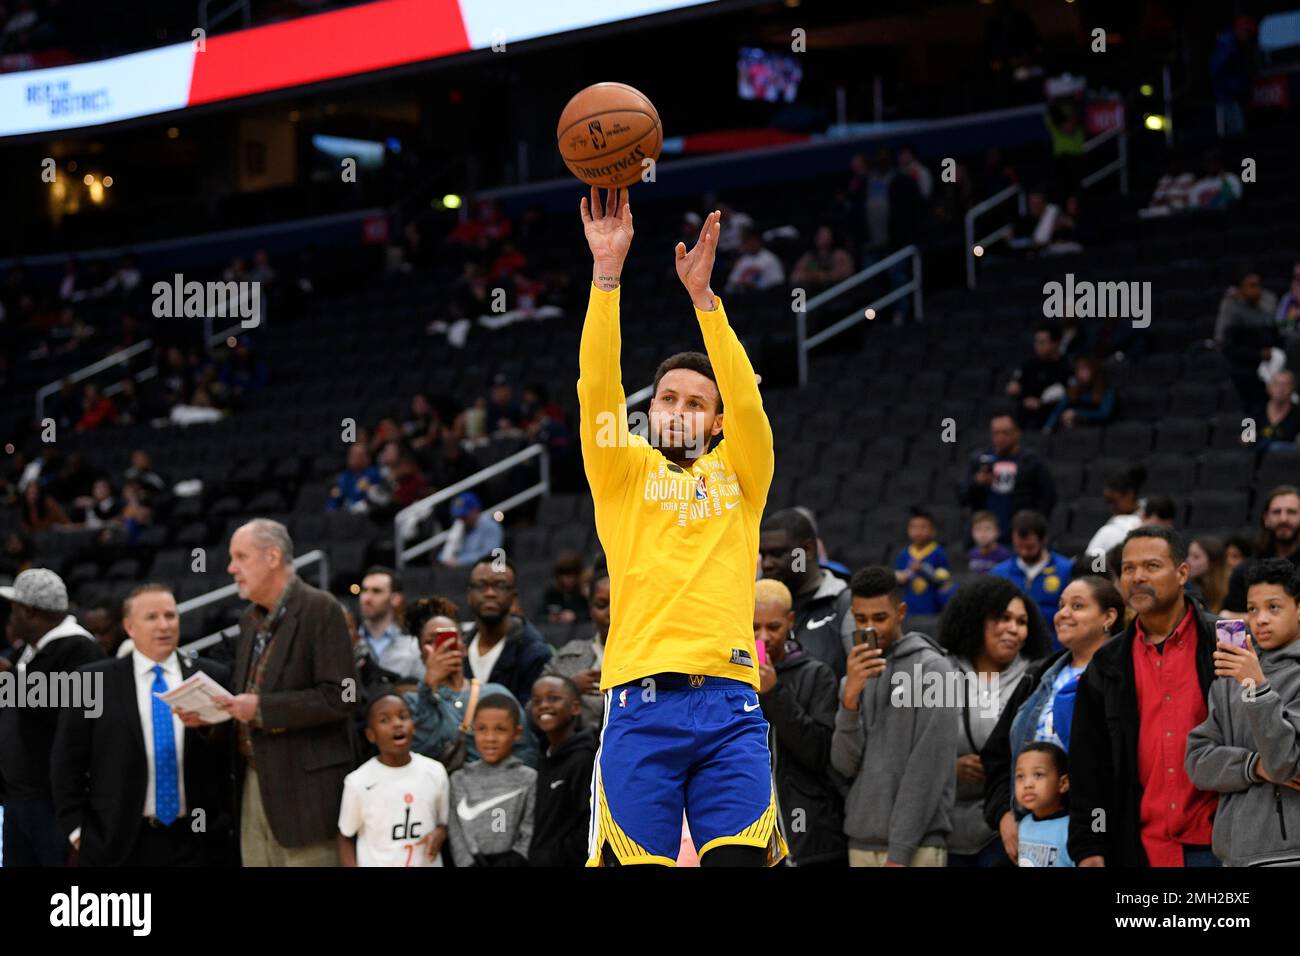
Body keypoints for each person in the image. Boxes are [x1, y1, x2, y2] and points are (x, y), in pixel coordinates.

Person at [578, 189, 784, 867]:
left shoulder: (742, 471)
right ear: (652, 408)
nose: (679, 409)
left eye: (697, 403)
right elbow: (597, 387)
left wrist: (706, 304)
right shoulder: (622, 470)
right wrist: (607, 277)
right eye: (668, 398)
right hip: (639, 706)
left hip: (730, 705)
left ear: (716, 423)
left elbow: (748, 398)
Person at [183, 519, 357, 867]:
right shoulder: (249, 619)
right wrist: (211, 716)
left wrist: (262, 709)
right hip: (253, 783)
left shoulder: (320, 609)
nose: (231, 568)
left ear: (273, 556)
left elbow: (343, 696)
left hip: (306, 794)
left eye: (241, 557)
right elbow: (245, 701)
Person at [1068, 527, 1220, 867]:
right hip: (1137, 847)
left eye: (1151, 566)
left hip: (1219, 845)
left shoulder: (1223, 643)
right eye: (1128, 568)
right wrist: (1090, 844)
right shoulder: (1106, 664)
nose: (1137, 577)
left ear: (1182, 573)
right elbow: (1089, 765)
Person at [51, 584, 233, 866]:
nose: (164, 626)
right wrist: (77, 831)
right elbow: (65, 763)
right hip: (118, 842)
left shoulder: (212, 676)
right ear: (129, 626)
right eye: (151, 617)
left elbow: (228, 757)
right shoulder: (92, 681)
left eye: (170, 616)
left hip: (200, 841)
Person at [981, 576, 1123, 863]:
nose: (1063, 614)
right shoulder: (1038, 676)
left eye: (1078, 605)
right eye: (1061, 606)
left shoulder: (1126, 676)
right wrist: (1003, 814)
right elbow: (997, 754)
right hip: (1034, 835)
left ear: (1108, 616)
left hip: (1102, 836)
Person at [831, 567, 958, 867]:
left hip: (916, 847)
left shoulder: (935, 670)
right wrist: (849, 700)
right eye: (861, 619)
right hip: (861, 841)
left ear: (900, 612)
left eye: (880, 618)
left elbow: (928, 768)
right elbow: (843, 765)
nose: (871, 628)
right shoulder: (853, 676)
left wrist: (899, 853)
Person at [1186, 558, 1300, 866]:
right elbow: (1197, 762)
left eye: (1273, 607)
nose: (1260, 619)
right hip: (1233, 855)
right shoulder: (1229, 677)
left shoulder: (1251, 677)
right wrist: (1253, 766)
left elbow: (1286, 763)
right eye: (1252, 609)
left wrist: (1256, 686)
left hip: (1288, 856)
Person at [938, 575, 1051, 866]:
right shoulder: (937, 672)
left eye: (1022, 622)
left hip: (1009, 834)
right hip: (941, 829)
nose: (1013, 629)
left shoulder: (1039, 678)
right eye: (1003, 618)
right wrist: (949, 768)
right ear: (976, 618)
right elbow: (909, 750)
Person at [0, 569, 105, 866]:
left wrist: (12, 681)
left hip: (55, 802)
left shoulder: (81, 650)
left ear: (29, 611)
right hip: (19, 797)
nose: (11, 616)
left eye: (15, 608)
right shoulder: (28, 653)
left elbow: (81, 715)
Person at [754, 579, 846, 867]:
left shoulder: (816, 674)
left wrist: (773, 693)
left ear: (790, 621)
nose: (764, 636)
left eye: (774, 627)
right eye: (754, 627)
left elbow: (819, 752)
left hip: (811, 836)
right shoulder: (734, 679)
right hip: (754, 832)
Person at [404, 595, 537, 769]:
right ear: (422, 654)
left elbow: (526, 752)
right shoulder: (411, 702)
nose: (441, 648)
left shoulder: (495, 694)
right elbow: (421, 751)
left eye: (448, 639)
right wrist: (428, 688)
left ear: (463, 647)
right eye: (431, 641)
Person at [337, 694, 449, 867]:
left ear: (413, 726)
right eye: (384, 720)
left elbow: (445, 823)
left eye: (403, 716)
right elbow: (345, 835)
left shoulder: (435, 771)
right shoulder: (358, 782)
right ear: (371, 735)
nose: (397, 723)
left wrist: (440, 833)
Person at [759, 509, 854, 679]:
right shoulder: (756, 608)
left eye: (777, 554)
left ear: (807, 550)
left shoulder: (845, 605)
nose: (766, 564)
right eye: (763, 554)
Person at [447, 694, 536, 866]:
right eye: (481, 729)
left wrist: (517, 858)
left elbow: (530, 826)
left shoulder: (528, 778)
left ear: (517, 733)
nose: (490, 738)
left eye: (500, 729)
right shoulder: (459, 779)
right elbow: (455, 830)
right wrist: (467, 863)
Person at [458, 557, 552, 704]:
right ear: (469, 595)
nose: (490, 593)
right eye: (481, 585)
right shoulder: (458, 649)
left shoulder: (535, 653)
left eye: (500, 586)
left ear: (514, 597)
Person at [527, 675, 597, 867]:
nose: (543, 705)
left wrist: (553, 858)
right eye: (537, 701)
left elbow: (590, 823)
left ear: (575, 708)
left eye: (553, 698)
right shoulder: (542, 758)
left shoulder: (584, 759)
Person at [958, 413, 1057, 545]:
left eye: (1005, 433)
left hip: (1020, 535)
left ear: (1017, 433)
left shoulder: (1031, 461)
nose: (1000, 438)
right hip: (985, 537)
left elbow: (1048, 496)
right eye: (996, 433)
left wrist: (1034, 527)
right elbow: (962, 496)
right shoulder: (979, 460)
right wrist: (977, 482)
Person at [989, 510, 1074, 647]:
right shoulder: (999, 573)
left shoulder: (1066, 569)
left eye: (1030, 547)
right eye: (1019, 546)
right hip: (1013, 650)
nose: (1024, 552)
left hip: (1053, 648)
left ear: (1043, 540)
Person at [543, 571, 609, 730]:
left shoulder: (651, 657)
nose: (611, 613)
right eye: (601, 605)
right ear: (590, 609)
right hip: (578, 749)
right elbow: (533, 711)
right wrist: (570, 688)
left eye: (620, 604)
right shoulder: (568, 656)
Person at [1222, 486, 1300, 617]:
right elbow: (1228, 617)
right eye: (1276, 512)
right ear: (1266, 518)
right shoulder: (1244, 571)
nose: (1283, 519)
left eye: (1291, 512)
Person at [1215, 267, 1280, 409]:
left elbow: (1276, 331)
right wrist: (1258, 354)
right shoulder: (1232, 308)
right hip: (1243, 367)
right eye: (1251, 286)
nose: (1257, 290)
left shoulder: (1268, 301)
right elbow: (1227, 347)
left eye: (1258, 285)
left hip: (1269, 363)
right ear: (1239, 289)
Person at [356, 566, 423, 683]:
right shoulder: (350, 643)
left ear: (395, 599)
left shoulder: (414, 647)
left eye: (376, 591)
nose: (366, 598)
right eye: (364, 590)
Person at [1015, 742, 1074, 867]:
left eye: (1038, 775)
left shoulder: (1072, 829)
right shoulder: (1024, 824)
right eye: (1020, 776)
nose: (1027, 784)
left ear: (1063, 783)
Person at [1004, 324, 1070, 430]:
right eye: (1036, 342)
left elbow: (1064, 392)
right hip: (1025, 417)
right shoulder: (1028, 365)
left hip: (1052, 418)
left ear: (1055, 343)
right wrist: (1015, 390)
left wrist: (1040, 403)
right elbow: (1016, 383)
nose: (1037, 346)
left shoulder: (1066, 366)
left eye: (1042, 342)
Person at [892, 507, 954, 616]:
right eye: (914, 527)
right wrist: (903, 575)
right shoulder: (904, 554)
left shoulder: (938, 552)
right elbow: (898, 576)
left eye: (923, 527)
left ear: (933, 530)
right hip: (910, 605)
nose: (918, 531)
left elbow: (944, 579)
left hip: (931, 605)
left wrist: (924, 569)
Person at [1084, 466, 1147, 562]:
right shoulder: (1112, 525)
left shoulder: (1151, 515)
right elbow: (1094, 561)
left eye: (1113, 501)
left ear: (1130, 494)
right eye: (1108, 502)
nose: (1111, 507)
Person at [1042, 356, 1115, 433]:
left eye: (1084, 370)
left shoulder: (1106, 392)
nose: (1081, 373)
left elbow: (1104, 414)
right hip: (1074, 431)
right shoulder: (1073, 390)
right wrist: (1047, 427)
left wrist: (1077, 414)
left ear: (1094, 371)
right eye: (1078, 370)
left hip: (1097, 431)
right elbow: (1057, 411)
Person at [437, 492, 504, 568]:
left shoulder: (491, 526)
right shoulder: (459, 526)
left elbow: (490, 554)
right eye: (459, 517)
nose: (462, 520)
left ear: (475, 511)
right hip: (460, 572)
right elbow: (444, 555)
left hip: (484, 571)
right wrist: (445, 558)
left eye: (464, 516)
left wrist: (459, 561)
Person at [326, 444, 387, 514]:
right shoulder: (343, 476)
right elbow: (335, 498)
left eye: (356, 455)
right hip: (344, 515)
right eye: (350, 454)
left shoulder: (374, 475)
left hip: (365, 517)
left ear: (366, 458)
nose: (351, 458)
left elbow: (377, 500)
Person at [723, 227, 786, 295]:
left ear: (759, 242)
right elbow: (731, 283)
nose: (751, 244)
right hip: (742, 297)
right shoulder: (743, 260)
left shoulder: (770, 258)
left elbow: (777, 282)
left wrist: (756, 286)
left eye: (753, 241)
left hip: (764, 296)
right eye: (748, 242)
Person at [790, 226, 854, 291]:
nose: (822, 238)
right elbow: (796, 276)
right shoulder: (810, 257)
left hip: (836, 291)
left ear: (831, 237)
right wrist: (813, 276)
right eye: (820, 236)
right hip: (814, 292)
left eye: (825, 236)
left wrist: (823, 276)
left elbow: (845, 274)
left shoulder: (839, 255)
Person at [538, 550, 590, 625]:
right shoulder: (551, 593)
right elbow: (538, 616)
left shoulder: (584, 594)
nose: (568, 579)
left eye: (572, 575)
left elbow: (593, 614)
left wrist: (576, 616)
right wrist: (550, 618)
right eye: (564, 575)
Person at [1253, 369, 1300, 452]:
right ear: (1269, 388)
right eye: (1276, 384)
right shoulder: (1258, 411)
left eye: (1286, 385)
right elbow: (1245, 439)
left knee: (1276, 447)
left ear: (1293, 388)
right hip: (1260, 456)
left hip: (1288, 458)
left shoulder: (1297, 413)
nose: (1280, 389)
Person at [1187, 536, 1229, 614]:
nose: (1188, 561)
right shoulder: (1188, 586)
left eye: (1196, 557)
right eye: (1189, 555)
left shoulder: (1229, 590)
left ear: (1213, 562)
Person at [967, 511, 1010, 575]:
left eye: (988, 529)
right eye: (978, 529)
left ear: (997, 532)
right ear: (972, 532)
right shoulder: (972, 554)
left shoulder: (1004, 556)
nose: (982, 534)